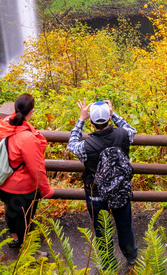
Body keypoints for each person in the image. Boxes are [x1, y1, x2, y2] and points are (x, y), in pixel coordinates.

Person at [67, 99, 138, 271]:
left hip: (96, 194)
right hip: (120, 190)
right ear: (109, 119)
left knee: (101, 231)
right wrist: (114, 114)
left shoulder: (86, 146)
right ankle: (132, 259)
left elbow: (71, 144)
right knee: (124, 225)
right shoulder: (123, 135)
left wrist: (81, 119)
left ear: (91, 122)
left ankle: (108, 266)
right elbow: (131, 130)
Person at [0, 93, 54, 250]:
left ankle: (14, 237)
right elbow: (37, 168)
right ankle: (25, 249)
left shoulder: (3, 125)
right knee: (24, 218)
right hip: (22, 188)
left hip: (3, 181)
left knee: (10, 211)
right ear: (31, 111)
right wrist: (46, 190)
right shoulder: (27, 139)